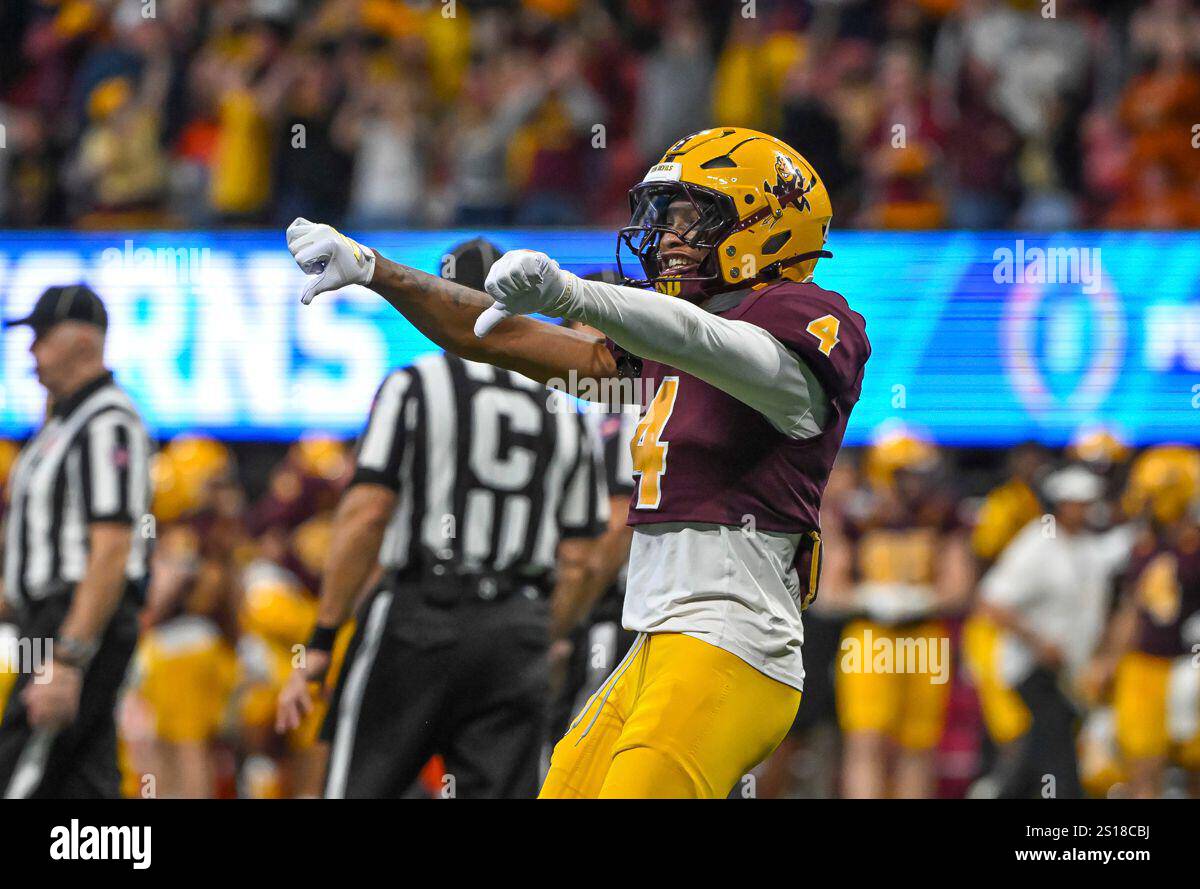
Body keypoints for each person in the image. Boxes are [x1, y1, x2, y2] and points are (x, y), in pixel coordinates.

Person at [285, 126, 871, 798]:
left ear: (766, 223)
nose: (672, 237)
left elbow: (713, 343)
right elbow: (496, 337)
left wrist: (575, 296)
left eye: (696, 217)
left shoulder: (800, 325)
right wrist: (374, 269)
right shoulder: (665, 345)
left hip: (733, 643)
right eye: (667, 218)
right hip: (657, 644)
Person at [276, 238, 607, 799]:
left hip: (421, 617)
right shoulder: (565, 408)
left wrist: (323, 638)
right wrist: (540, 635)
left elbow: (366, 514)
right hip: (518, 626)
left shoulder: (414, 386)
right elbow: (581, 559)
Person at [0, 285, 152, 798]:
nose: (31, 352)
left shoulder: (107, 423)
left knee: (22, 772)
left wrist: (67, 659)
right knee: (82, 784)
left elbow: (111, 548)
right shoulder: (64, 425)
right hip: (49, 617)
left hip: (73, 618)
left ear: (83, 341)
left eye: (42, 337)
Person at [975, 466, 1134, 799]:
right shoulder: (1037, 543)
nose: (1087, 509)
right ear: (1061, 504)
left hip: (1068, 672)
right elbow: (992, 601)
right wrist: (1038, 642)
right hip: (1033, 668)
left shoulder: (1087, 547)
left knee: (1044, 742)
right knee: (1058, 740)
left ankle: (1003, 791)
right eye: (1079, 502)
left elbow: (1123, 549)